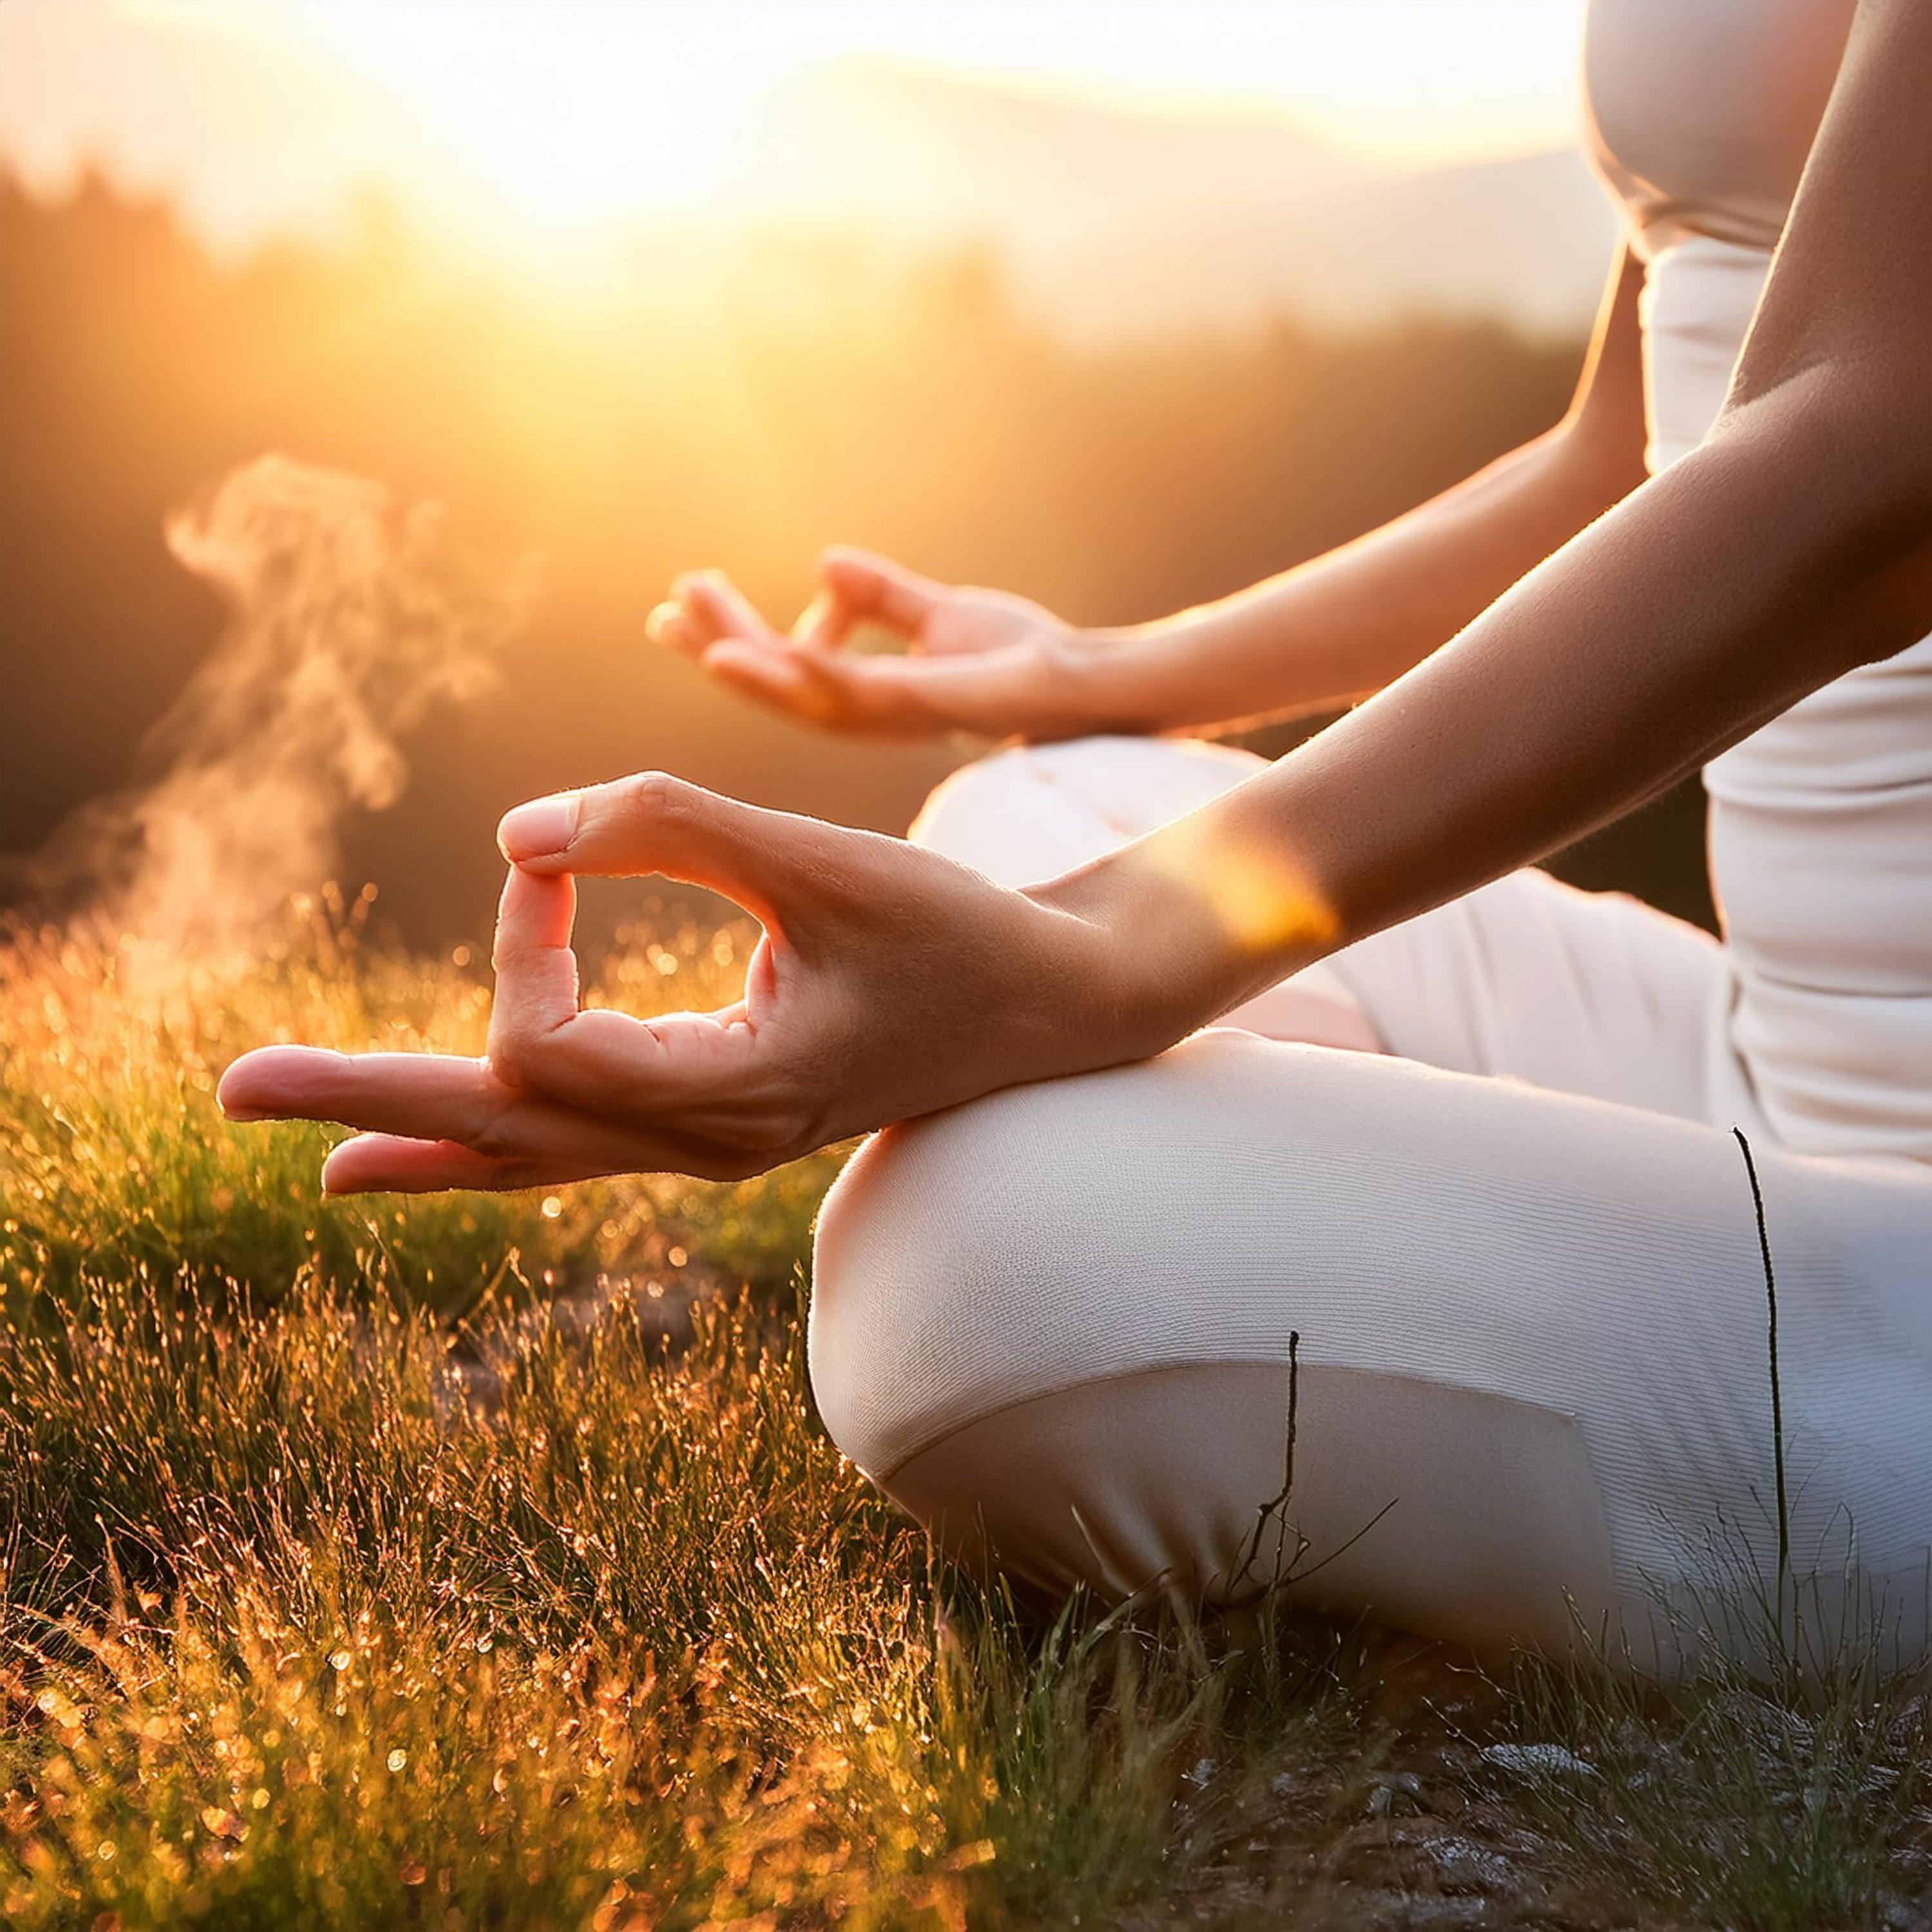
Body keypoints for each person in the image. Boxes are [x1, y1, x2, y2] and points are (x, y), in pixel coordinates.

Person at [221, 0, 1932, 1671]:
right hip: (1755, 1055)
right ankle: (1353, 1198)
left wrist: (1109, 970)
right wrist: (1104, 673)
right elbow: (1632, 465)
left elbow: (1864, 474)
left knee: (983, 1256)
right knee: (1043, 811)